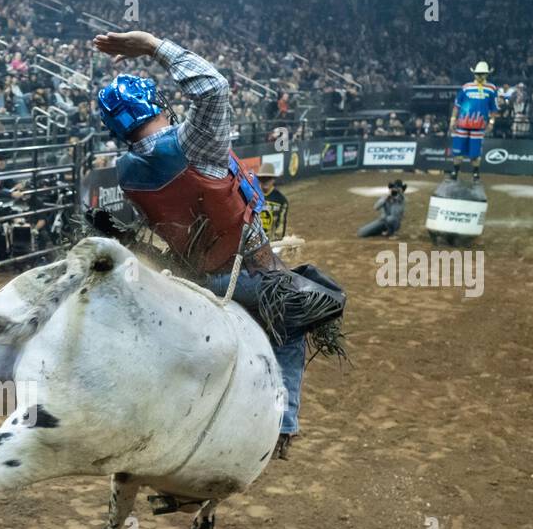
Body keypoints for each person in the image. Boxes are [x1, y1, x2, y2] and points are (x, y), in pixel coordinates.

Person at [93, 30, 345, 458]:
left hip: (193, 283)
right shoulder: (193, 143)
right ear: (154, 103)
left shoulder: (127, 172)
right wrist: (153, 45)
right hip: (245, 276)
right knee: (297, 315)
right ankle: (283, 424)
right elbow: (213, 86)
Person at [448, 61, 501, 182]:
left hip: (479, 126)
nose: (479, 76)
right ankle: (455, 171)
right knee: (458, 151)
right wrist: (452, 120)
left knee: (475, 153)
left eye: (482, 74)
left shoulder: (492, 89)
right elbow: (457, 105)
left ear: (487, 74)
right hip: (462, 124)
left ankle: (476, 174)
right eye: (477, 73)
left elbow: (494, 108)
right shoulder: (466, 87)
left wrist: (491, 123)